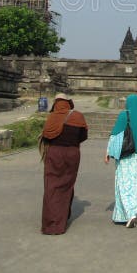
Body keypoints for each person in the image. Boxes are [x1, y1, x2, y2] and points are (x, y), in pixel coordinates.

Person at [105, 94, 137, 228]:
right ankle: (124, 215)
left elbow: (114, 135)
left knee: (123, 186)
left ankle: (130, 214)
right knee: (136, 188)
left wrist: (108, 152)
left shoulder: (124, 115)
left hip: (125, 159)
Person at [40, 92, 88, 235]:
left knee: (51, 186)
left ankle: (50, 224)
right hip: (72, 154)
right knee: (67, 185)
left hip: (54, 154)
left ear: (55, 103)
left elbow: (46, 136)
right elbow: (83, 136)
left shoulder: (51, 118)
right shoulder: (78, 116)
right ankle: (61, 219)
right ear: (68, 103)